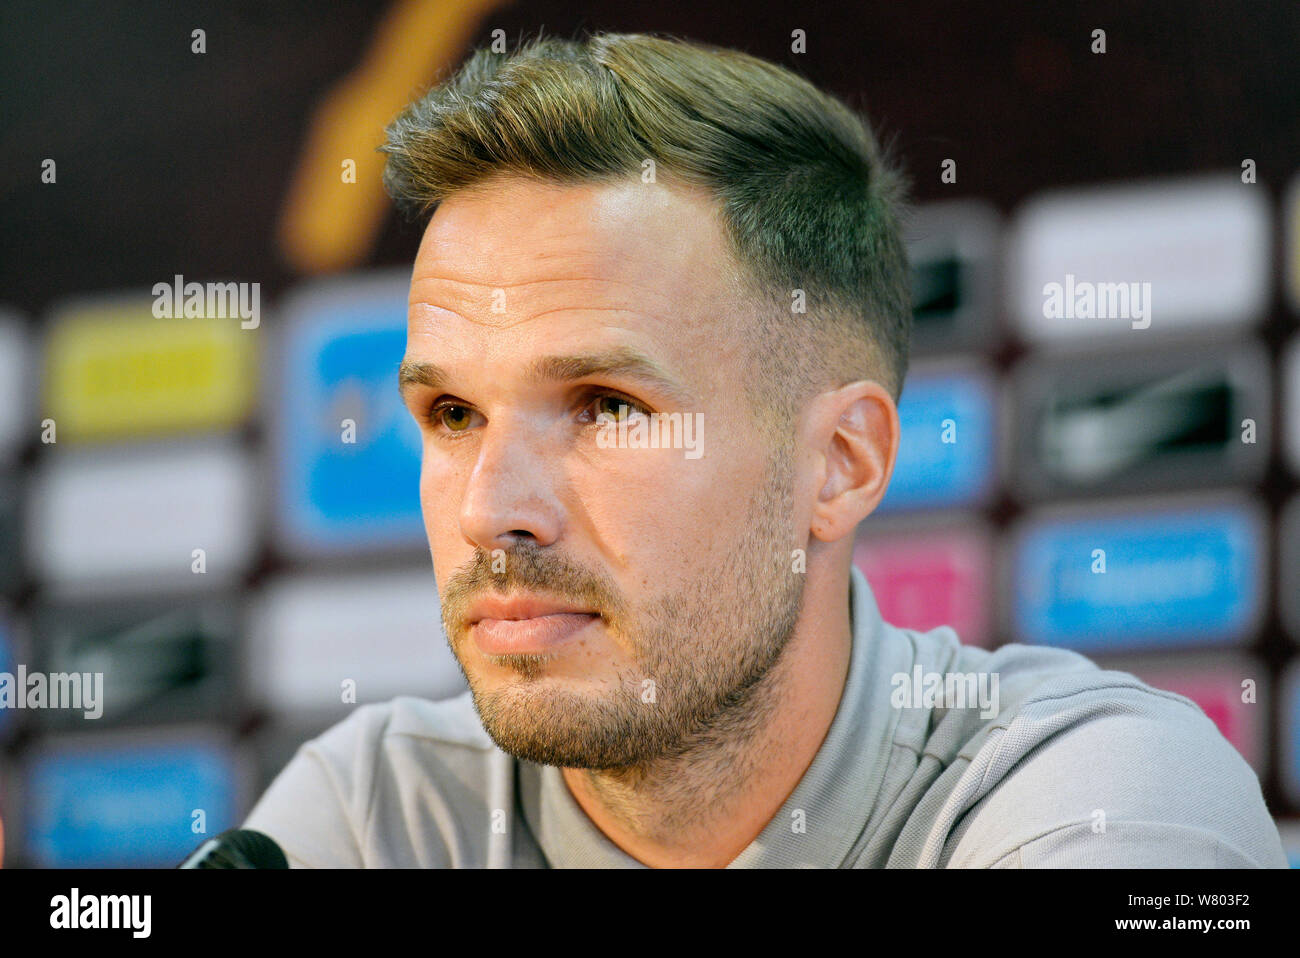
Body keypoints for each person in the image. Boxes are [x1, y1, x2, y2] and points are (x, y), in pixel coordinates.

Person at [243, 31, 1287, 868]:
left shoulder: (1100, 793)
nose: (489, 511)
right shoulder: (376, 809)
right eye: (454, 415)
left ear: (840, 462)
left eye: (606, 406)